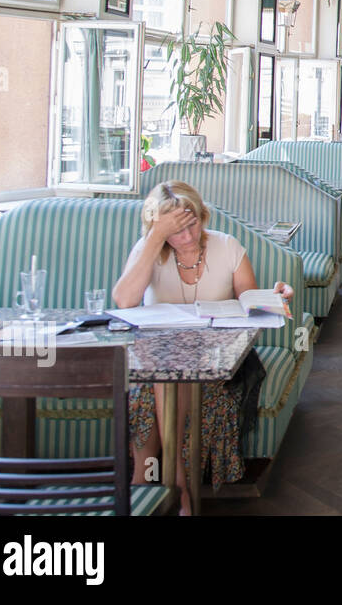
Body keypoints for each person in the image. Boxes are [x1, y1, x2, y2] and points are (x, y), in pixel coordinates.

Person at [112, 180, 294, 515]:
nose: (186, 236)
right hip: (159, 359)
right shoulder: (148, 250)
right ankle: (174, 489)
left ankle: (148, 486)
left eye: (192, 223)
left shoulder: (227, 247)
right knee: (156, 383)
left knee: (160, 386)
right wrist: (154, 237)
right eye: (175, 230)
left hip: (218, 364)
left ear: (203, 216)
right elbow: (124, 300)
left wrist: (276, 296)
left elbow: (250, 305)